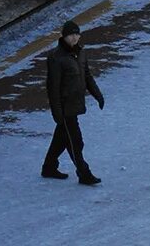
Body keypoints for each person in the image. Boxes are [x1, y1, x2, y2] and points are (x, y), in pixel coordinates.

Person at [42, 21, 104, 186]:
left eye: (77, 34)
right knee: (75, 142)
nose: (75, 37)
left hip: (75, 105)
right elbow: (53, 87)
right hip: (65, 108)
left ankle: (48, 167)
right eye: (71, 34)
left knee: (62, 138)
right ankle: (84, 173)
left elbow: (87, 76)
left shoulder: (80, 53)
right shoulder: (56, 58)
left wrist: (98, 95)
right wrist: (57, 112)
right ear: (64, 36)